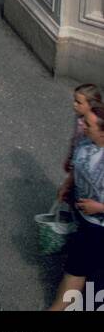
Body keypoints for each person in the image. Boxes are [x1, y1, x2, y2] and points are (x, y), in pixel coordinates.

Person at [49, 100, 104, 311]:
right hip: (86, 222)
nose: (82, 124)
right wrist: (67, 185)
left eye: (88, 124)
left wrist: (99, 208)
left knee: (86, 276)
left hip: (99, 227)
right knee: (78, 269)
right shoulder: (85, 143)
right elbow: (76, 166)